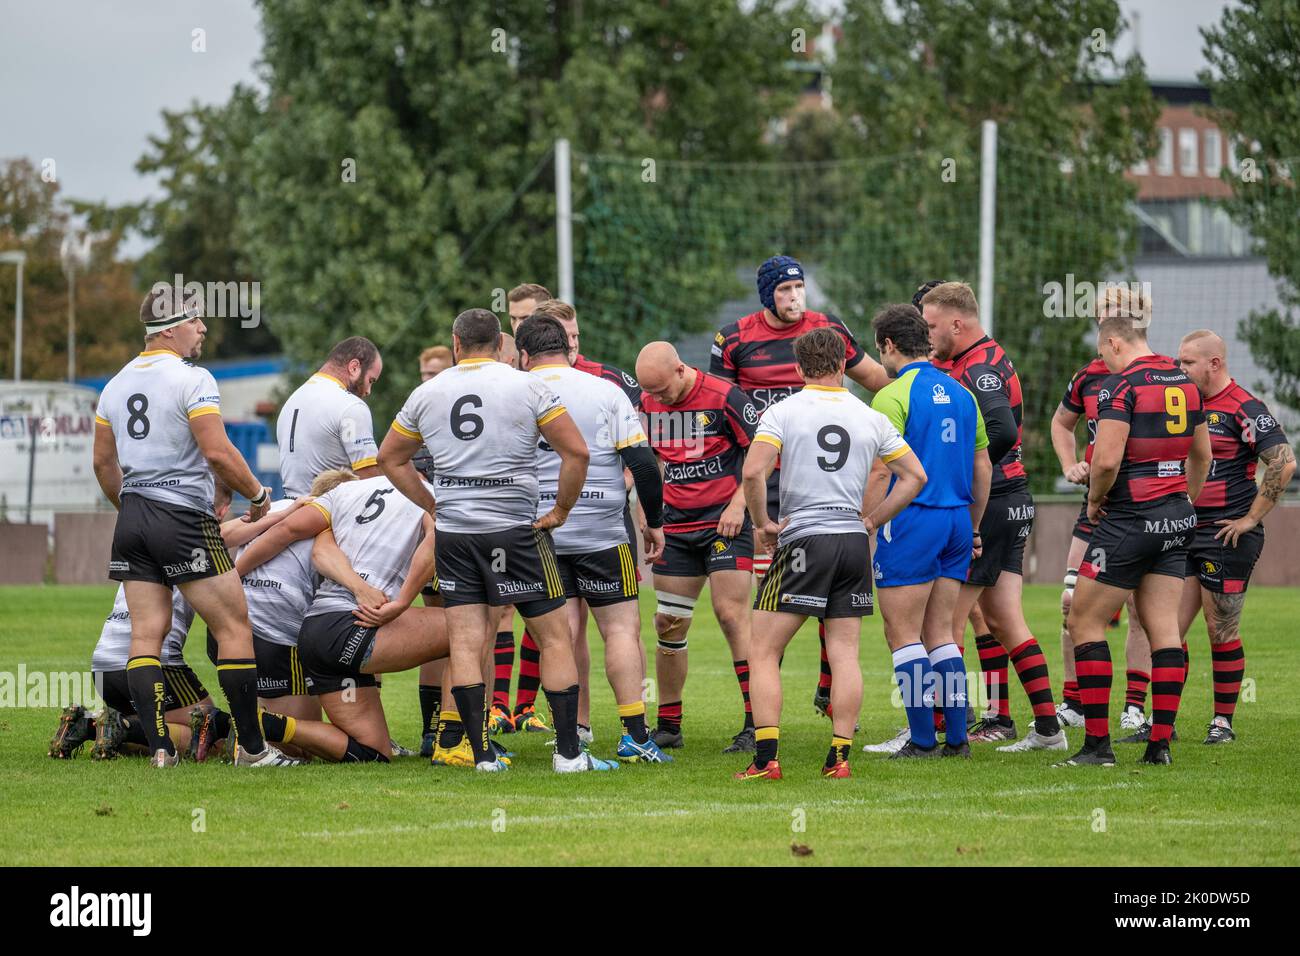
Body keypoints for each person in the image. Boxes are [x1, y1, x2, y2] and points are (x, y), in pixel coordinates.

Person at [378, 308, 609, 772]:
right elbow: (577, 451)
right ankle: (568, 754)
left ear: (456, 344)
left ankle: (481, 755)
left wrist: (433, 503)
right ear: (502, 346)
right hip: (516, 531)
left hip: (457, 534)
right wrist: (560, 510)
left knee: (465, 642)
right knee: (554, 638)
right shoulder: (527, 385)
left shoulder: (427, 392)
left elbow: (390, 458)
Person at [90, 286, 295, 767]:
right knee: (234, 626)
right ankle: (252, 749)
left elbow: (103, 464)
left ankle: (161, 749)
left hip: (134, 514)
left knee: (146, 636)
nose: (203, 328)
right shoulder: (193, 378)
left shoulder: (115, 384)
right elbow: (218, 451)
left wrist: (134, 506)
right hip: (180, 517)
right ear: (170, 327)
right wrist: (258, 494)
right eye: (196, 320)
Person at [734, 327, 926, 780]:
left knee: (762, 649)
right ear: (844, 365)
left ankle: (766, 760)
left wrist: (763, 524)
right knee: (844, 651)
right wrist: (874, 519)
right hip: (852, 541)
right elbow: (915, 476)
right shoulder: (870, 415)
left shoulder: (782, 411)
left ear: (799, 369)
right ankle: (839, 758)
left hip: (804, 538)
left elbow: (753, 472)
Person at [711, 255, 893, 719]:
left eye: (800, 289)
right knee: (765, 605)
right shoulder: (733, 339)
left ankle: (824, 687)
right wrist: (740, 502)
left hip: (822, 488)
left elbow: (879, 382)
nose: (795, 299)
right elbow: (722, 419)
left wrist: (882, 435)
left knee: (823, 595)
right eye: (784, 291)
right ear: (766, 296)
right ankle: (757, 720)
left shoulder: (828, 329)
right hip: (762, 493)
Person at [1061, 296, 1211, 767]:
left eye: (1103, 348)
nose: (1101, 357)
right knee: (1162, 629)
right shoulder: (1184, 382)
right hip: (1176, 518)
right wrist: (1185, 497)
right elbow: (1203, 455)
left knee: (1082, 621)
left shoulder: (1120, 386)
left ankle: (1097, 746)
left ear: (1114, 340)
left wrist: (1094, 501)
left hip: (1128, 518)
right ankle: (1159, 746)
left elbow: (1105, 460)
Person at [517, 315, 671, 763]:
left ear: (524, 355)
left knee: (558, 638)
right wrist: (654, 522)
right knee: (621, 630)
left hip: (540, 532)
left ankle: (573, 734)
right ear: (568, 347)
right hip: (602, 530)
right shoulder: (605, 391)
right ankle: (636, 737)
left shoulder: (514, 392)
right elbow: (643, 464)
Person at [922, 282, 1065, 751]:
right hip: (1013, 498)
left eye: (932, 326)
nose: (929, 335)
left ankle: (940, 729)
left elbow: (1000, 429)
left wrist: (960, 472)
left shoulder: (980, 367)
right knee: (1004, 619)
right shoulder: (974, 358)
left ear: (957, 324)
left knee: (944, 624)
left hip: (993, 502)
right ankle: (1047, 728)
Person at [233, 472, 454, 762]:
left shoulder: (343, 495)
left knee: (373, 753)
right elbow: (436, 538)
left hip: (316, 634)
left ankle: (265, 724)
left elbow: (299, 536)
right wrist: (401, 601)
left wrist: (232, 578)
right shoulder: (430, 497)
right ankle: (455, 739)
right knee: (471, 628)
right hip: (344, 627)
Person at [865, 304, 991, 759]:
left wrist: (868, 522)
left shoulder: (892, 396)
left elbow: (882, 471)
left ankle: (921, 740)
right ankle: (956, 740)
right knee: (941, 633)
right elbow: (983, 464)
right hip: (956, 518)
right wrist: (974, 525)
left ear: (889, 346)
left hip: (912, 517)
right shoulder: (962, 392)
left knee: (902, 634)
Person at [637, 341, 761, 754]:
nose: (656, 399)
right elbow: (650, 463)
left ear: (680, 370)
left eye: (661, 390)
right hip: (675, 527)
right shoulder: (648, 404)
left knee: (731, 616)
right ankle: (669, 725)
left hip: (725, 523)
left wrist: (739, 504)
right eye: (649, 392)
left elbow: (762, 453)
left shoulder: (725, 397)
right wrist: (648, 513)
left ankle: (755, 724)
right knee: (669, 623)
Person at [1175, 329, 1295, 744]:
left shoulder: (1243, 406)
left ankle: (1222, 722)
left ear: (1214, 363)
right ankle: (1162, 724)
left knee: (1219, 627)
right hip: (1183, 530)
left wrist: (1249, 519)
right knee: (1166, 630)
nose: (1180, 368)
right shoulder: (1185, 405)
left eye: (1188, 362)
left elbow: (1283, 463)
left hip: (1226, 534)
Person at [1052, 329, 1152, 736]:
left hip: (1140, 508)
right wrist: (1070, 464)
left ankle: (1134, 707)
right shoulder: (1087, 377)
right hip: (1096, 504)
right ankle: (1074, 701)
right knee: (1070, 601)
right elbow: (1061, 424)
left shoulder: (1152, 377)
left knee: (1138, 612)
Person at [276, 337, 383, 498]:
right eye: (371, 380)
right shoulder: (351, 406)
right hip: (329, 514)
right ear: (354, 367)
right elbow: (371, 480)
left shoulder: (292, 400)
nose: (368, 391)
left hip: (290, 507)